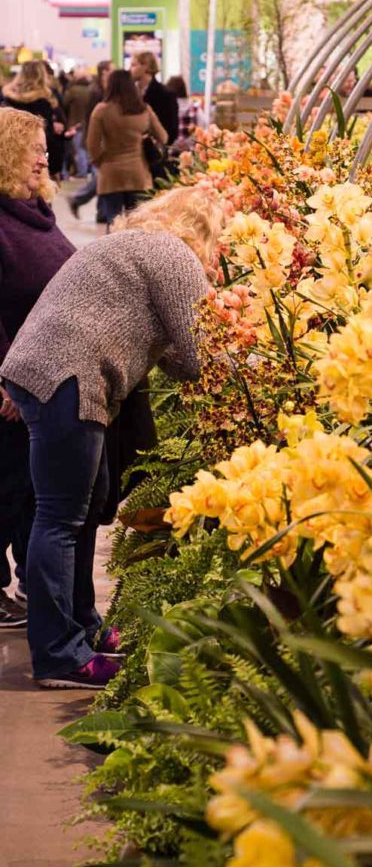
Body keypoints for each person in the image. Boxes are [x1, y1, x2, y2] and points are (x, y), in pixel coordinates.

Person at [0, 184, 224, 688]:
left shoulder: (129, 242)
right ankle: (60, 655)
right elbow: (199, 356)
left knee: (84, 505)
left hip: (40, 370)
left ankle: (83, 628)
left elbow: (148, 334)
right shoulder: (173, 255)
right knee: (60, 516)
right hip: (69, 379)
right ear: (206, 230)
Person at [0, 109, 76, 630]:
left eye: (45, 147)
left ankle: (32, 583)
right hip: (11, 390)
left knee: (27, 492)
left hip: (41, 383)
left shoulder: (37, 214)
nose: (44, 157)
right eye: (33, 147)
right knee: (4, 493)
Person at [86, 68, 167, 226]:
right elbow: (163, 136)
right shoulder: (143, 109)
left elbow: (92, 143)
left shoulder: (101, 110)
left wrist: (99, 160)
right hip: (138, 173)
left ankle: (113, 252)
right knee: (137, 225)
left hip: (110, 173)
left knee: (114, 224)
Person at [0, 60, 67, 181]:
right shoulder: (43, 102)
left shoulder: (7, 99)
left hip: (9, 156)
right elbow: (47, 138)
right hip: (36, 160)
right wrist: (55, 166)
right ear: (42, 75)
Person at [68, 59, 113, 220]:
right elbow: (92, 117)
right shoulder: (96, 91)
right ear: (104, 72)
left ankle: (100, 210)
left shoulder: (102, 90)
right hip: (97, 138)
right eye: (111, 70)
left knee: (103, 175)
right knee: (101, 174)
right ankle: (83, 201)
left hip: (103, 137)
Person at [130, 51, 179, 147]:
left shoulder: (166, 95)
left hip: (155, 152)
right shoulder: (130, 93)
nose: (130, 69)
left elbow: (171, 130)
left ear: (145, 66)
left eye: (133, 65)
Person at [63, 67, 92, 178]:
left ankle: (82, 172)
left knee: (79, 149)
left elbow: (64, 104)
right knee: (86, 149)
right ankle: (87, 170)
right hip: (87, 122)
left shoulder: (72, 90)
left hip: (74, 123)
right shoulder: (92, 89)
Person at [166, 75, 205, 155]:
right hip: (191, 153)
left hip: (170, 152)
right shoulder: (194, 107)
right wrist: (188, 142)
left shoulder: (166, 107)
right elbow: (203, 126)